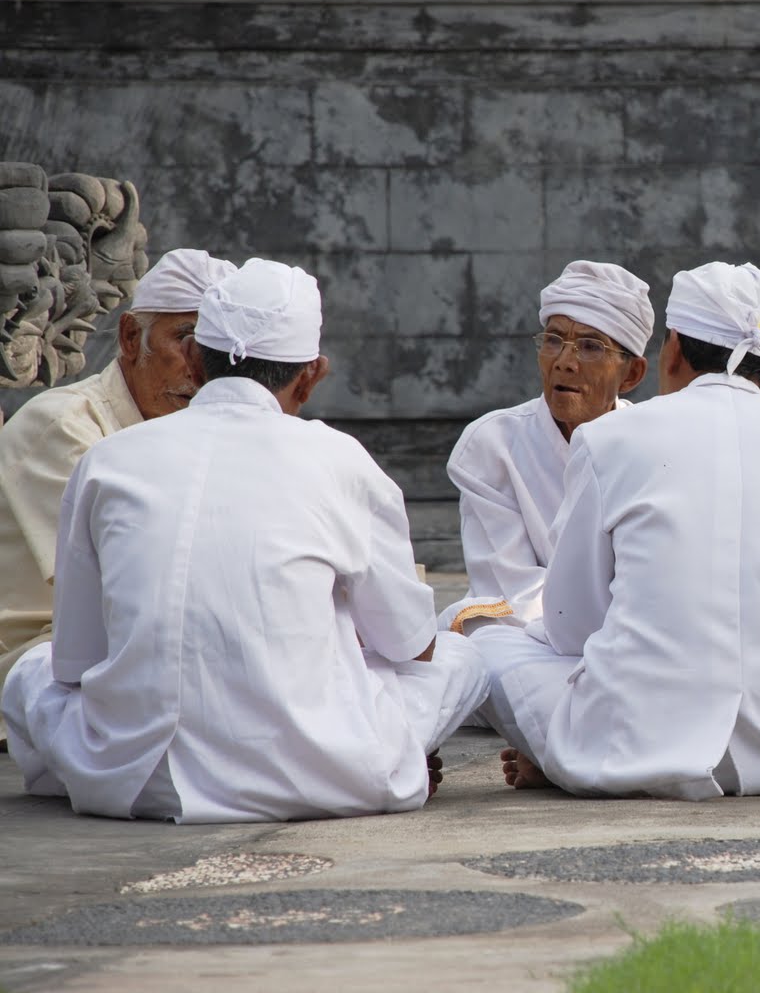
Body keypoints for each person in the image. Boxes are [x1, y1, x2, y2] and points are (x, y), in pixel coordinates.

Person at [1, 259, 487, 822]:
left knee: (33, 672)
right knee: (463, 654)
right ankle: (393, 754)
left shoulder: (108, 461)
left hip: (137, 782)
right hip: (328, 776)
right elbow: (410, 646)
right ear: (310, 376)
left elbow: (77, 661)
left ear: (196, 361)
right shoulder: (342, 458)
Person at [476, 261, 760, 799]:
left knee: (482, 646)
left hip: (633, 752)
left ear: (670, 352)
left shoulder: (613, 439)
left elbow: (574, 626)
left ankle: (556, 755)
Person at [0, 248, 234, 741]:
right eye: (186, 339)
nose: (200, 368)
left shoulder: (199, 430)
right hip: (39, 662)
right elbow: (133, 593)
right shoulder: (65, 426)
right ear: (131, 337)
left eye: (215, 350)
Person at [441, 261, 652, 634]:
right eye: (554, 340)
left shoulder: (653, 449)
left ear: (631, 374)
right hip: (531, 635)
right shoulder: (492, 445)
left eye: (590, 347)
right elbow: (513, 591)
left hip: (631, 638)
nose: (564, 363)